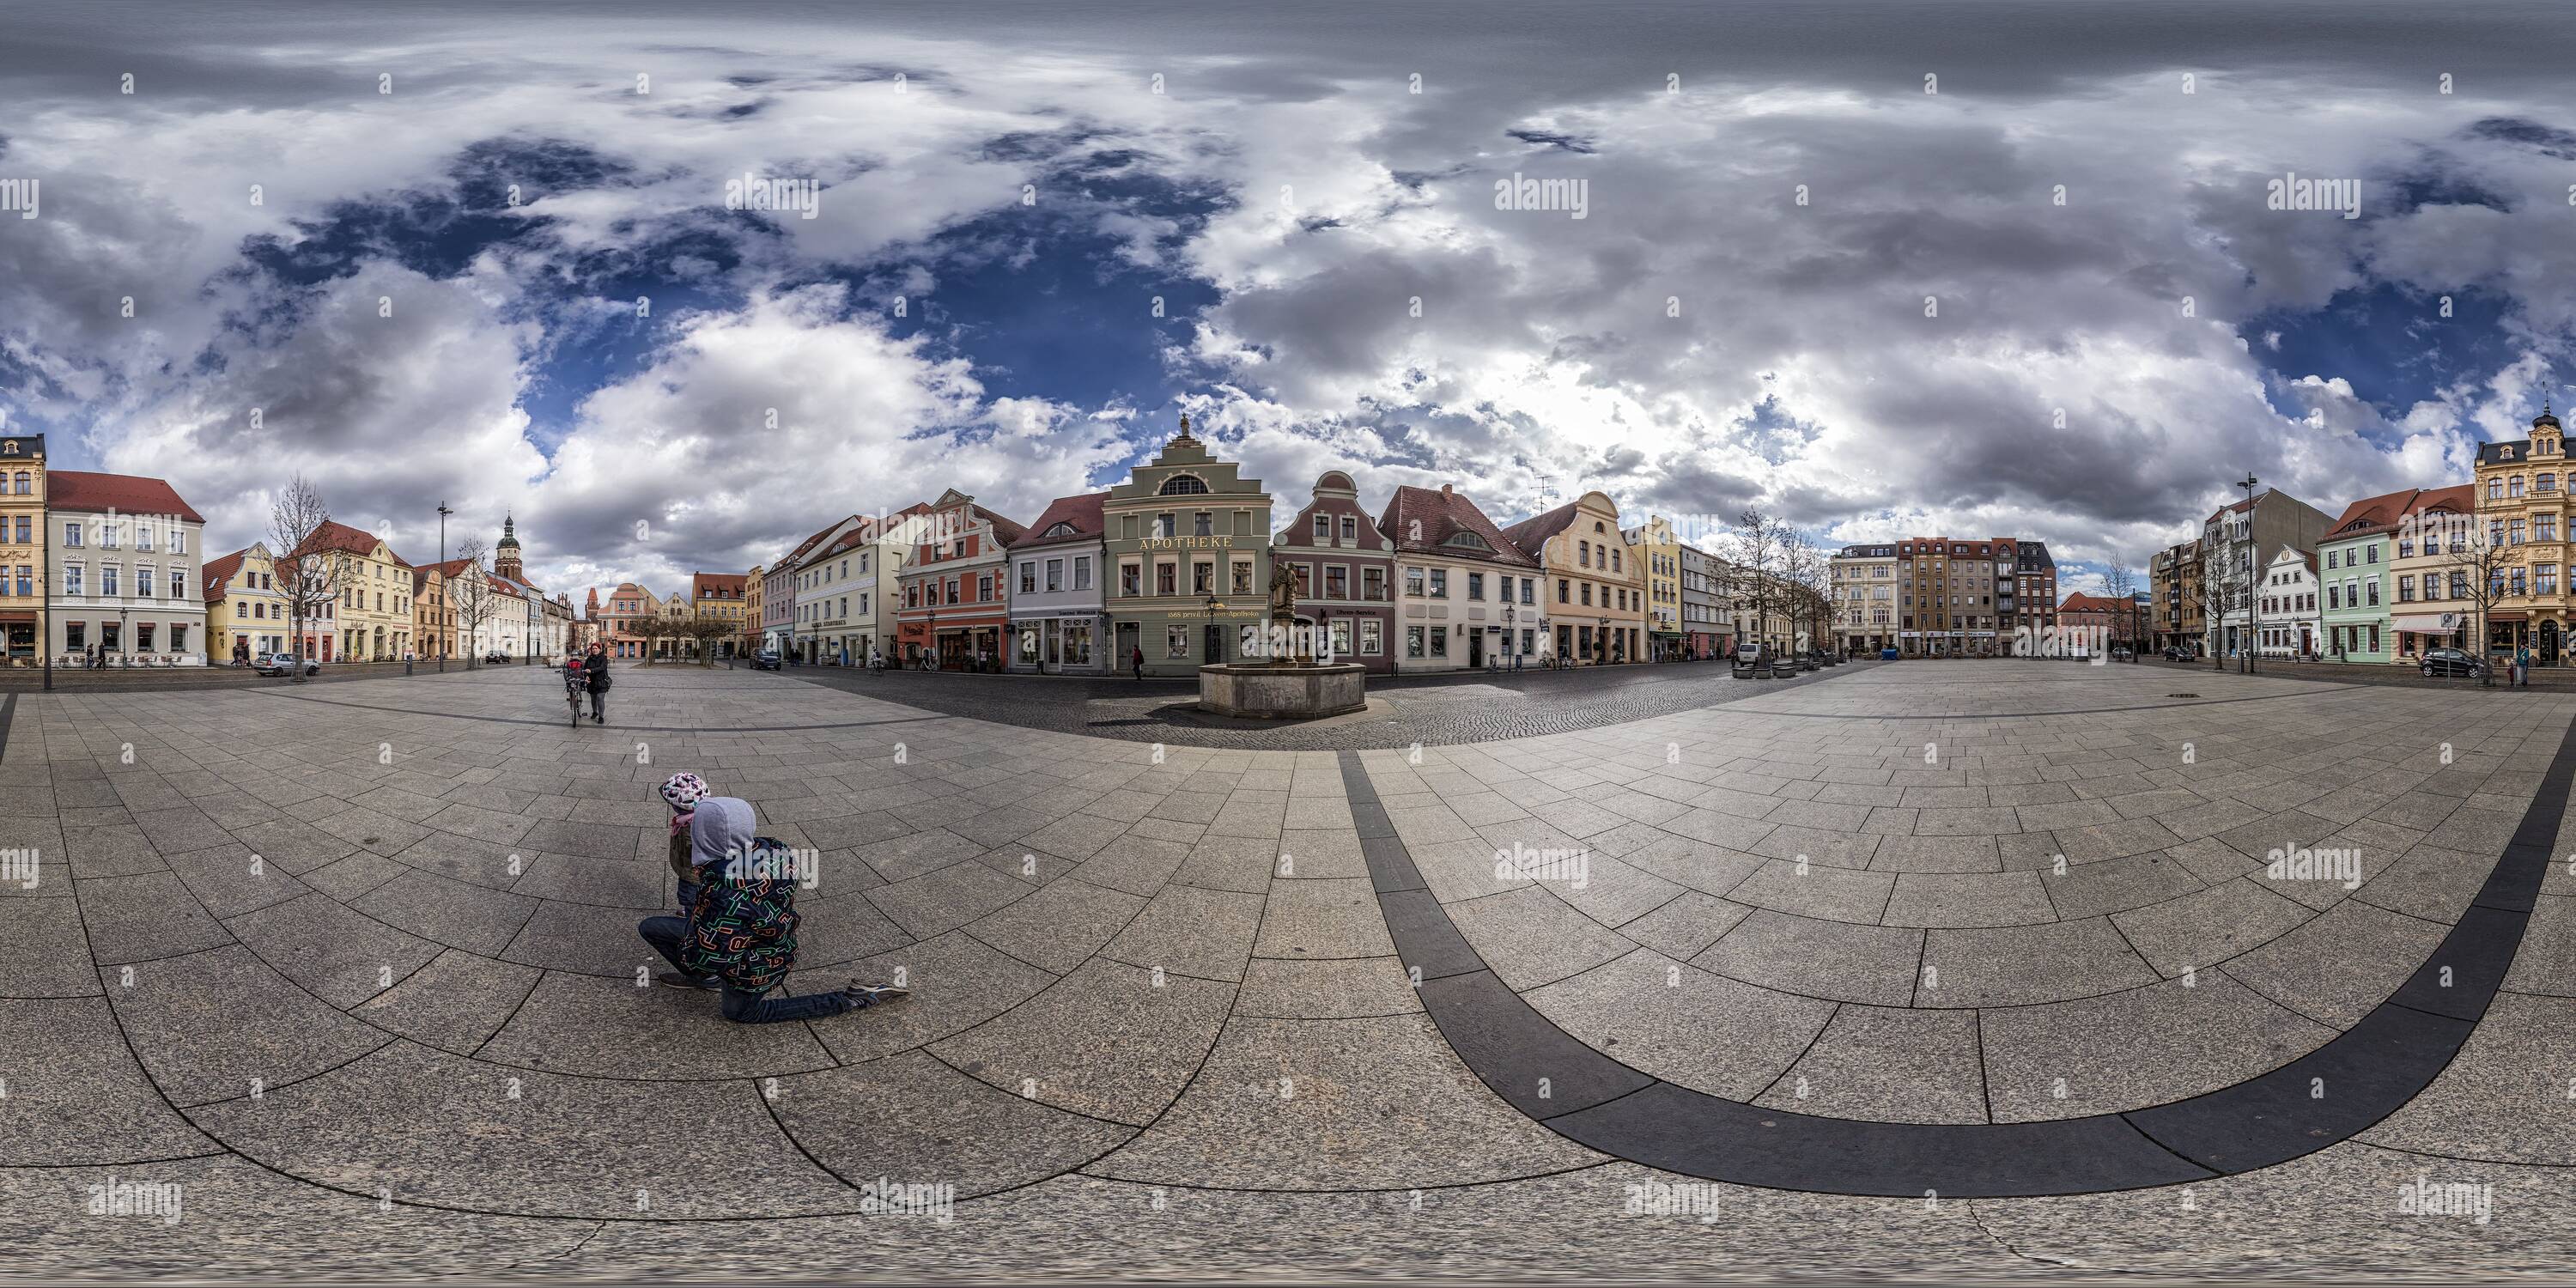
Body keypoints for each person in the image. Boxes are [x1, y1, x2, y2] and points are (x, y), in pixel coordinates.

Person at [638, 797, 909, 1023]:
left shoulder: (723, 891)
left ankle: (851, 1000)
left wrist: (690, 954)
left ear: (704, 838)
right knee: (651, 928)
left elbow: (712, 955)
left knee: (741, 1014)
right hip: (766, 941)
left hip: (756, 966)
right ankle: (707, 980)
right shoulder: (774, 852)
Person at [581, 641, 611, 723]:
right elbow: (585, 668)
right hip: (592, 682)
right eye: (593, 649)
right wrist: (586, 676)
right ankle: (595, 712)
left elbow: (602, 667)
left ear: (600, 649)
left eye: (596, 648)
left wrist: (591, 671)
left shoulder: (603, 658)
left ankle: (601, 716)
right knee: (593, 699)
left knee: (600, 698)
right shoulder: (589, 658)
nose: (594, 650)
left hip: (602, 682)